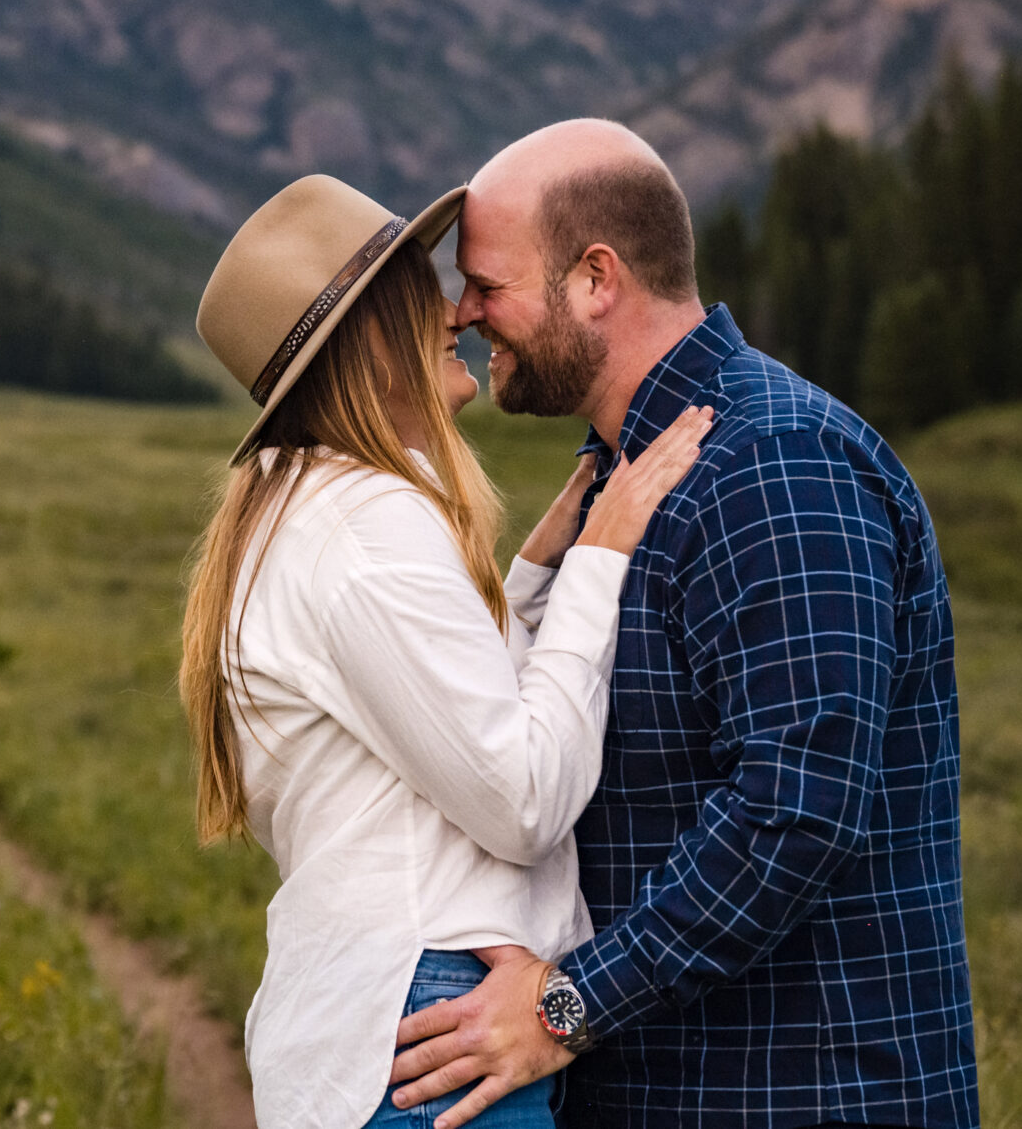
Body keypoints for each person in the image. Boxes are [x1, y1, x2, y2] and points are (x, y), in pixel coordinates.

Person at [386, 120, 978, 1129]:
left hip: (802, 1090)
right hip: (676, 1085)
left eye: (487, 283)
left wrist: (566, 1007)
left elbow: (794, 810)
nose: (465, 312)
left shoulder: (774, 465)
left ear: (595, 278)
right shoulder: (628, 472)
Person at [185, 173, 713, 1129]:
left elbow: (419, 720)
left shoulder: (307, 508)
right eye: (408, 294)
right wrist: (600, 562)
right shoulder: (369, 526)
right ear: (362, 344)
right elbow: (521, 799)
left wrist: (535, 582)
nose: (451, 311)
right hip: (436, 1029)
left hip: (396, 1018)